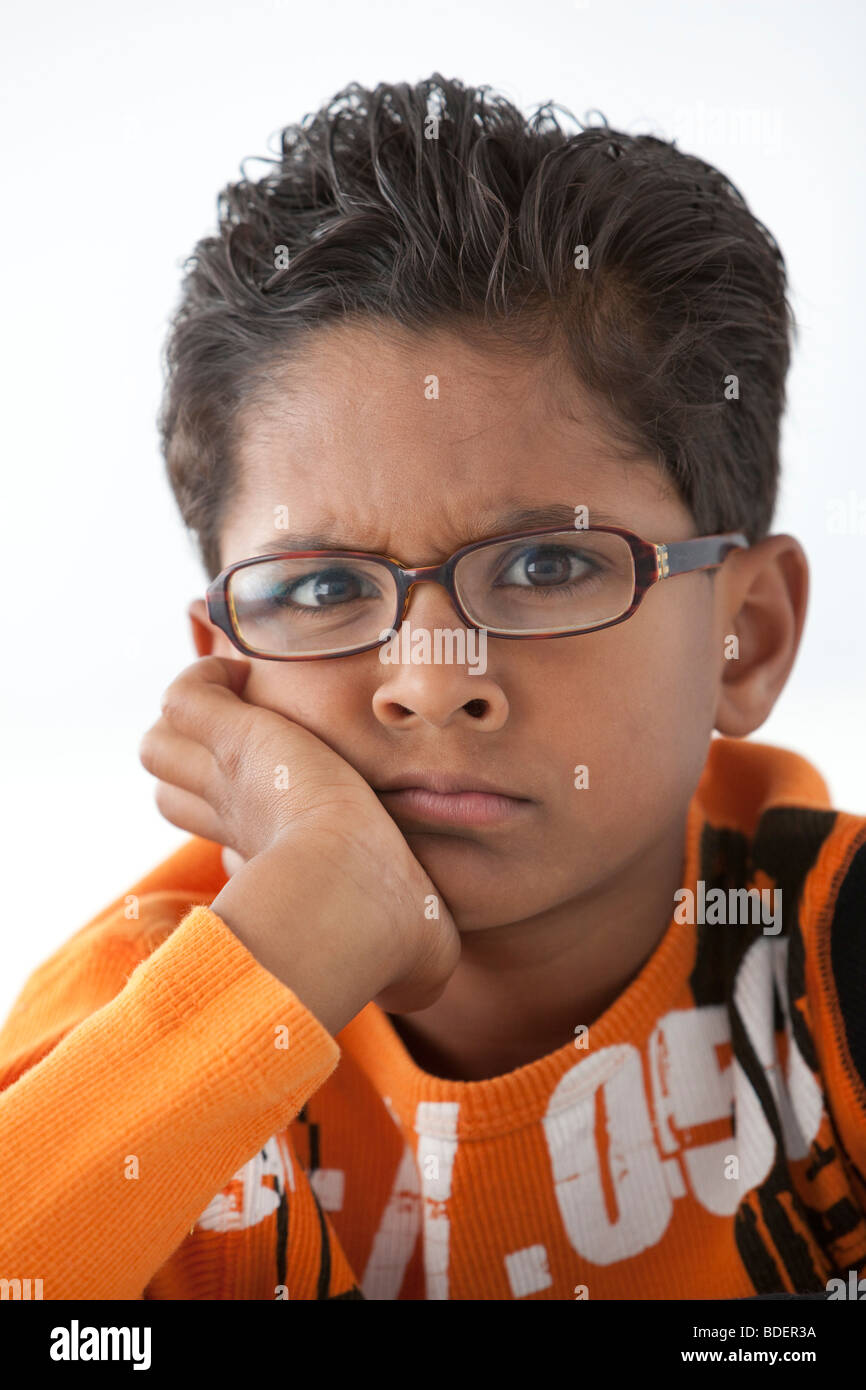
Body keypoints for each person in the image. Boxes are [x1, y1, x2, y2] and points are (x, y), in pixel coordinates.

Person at [2, 74, 864, 1302]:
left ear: (747, 637)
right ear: (222, 670)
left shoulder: (831, 973)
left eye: (547, 563)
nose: (427, 681)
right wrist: (299, 940)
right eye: (317, 591)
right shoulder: (132, 1033)